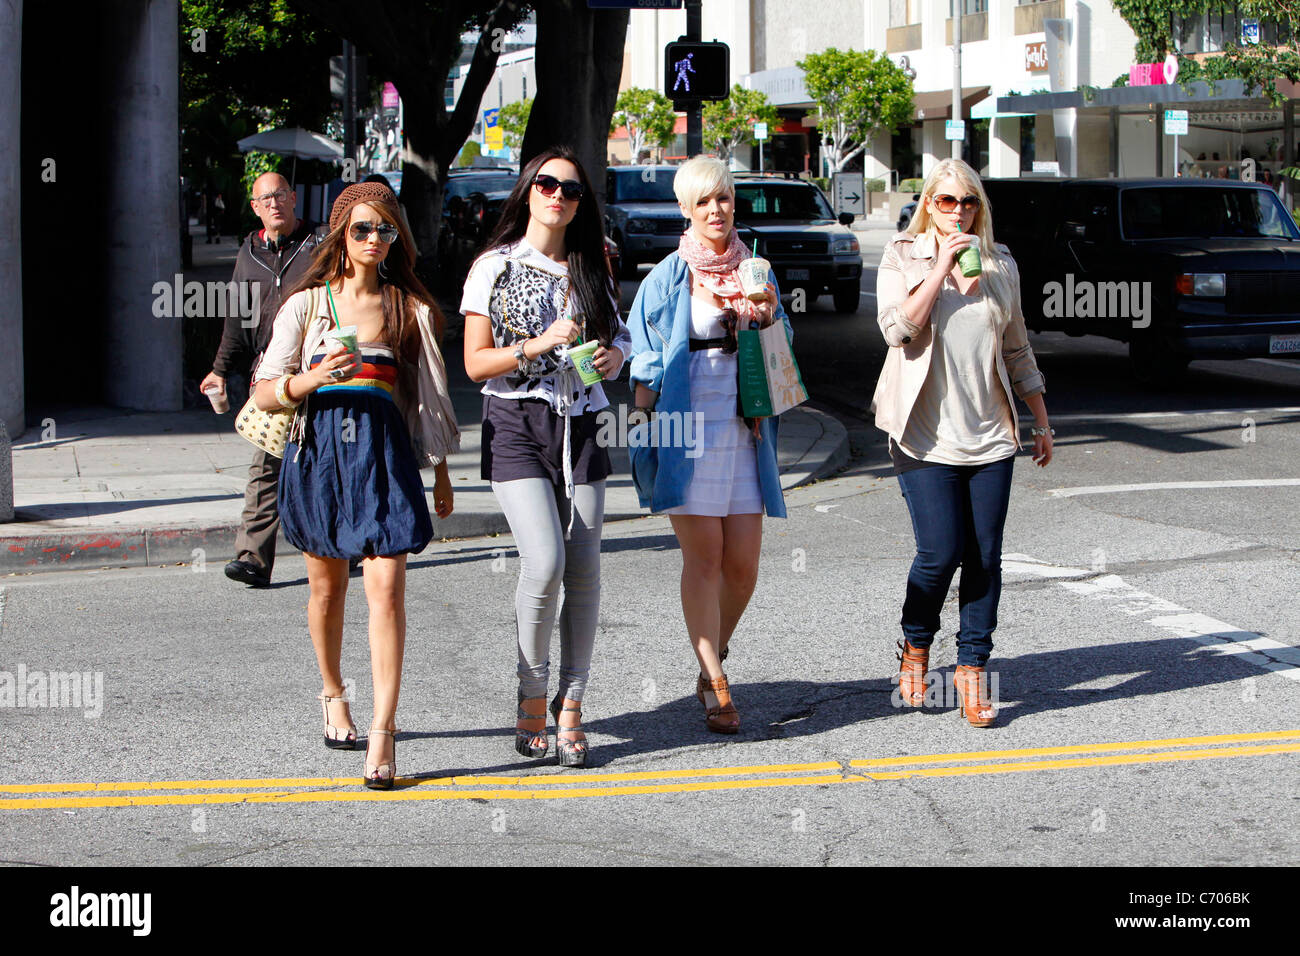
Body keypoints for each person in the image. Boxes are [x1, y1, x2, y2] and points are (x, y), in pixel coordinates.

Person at [252, 181, 459, 788]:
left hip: (384, 455)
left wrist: (442, 470)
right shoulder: (308, 305)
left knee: (388, 588)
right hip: (318, 453)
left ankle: (384, 733)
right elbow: (265, 389)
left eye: (386, 231)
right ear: (342, 233)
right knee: (326, 590)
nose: (374, 240)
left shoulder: (409, 309)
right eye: (363, 229)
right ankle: (332, 691)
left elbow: (428, 399)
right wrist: (310, 378)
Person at [461, 146, 631, 768]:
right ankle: (532, 694)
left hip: (582, 421)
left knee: (584, 571)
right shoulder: (494, 267)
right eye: (547, 184)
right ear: (528, 190)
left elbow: (619, 335)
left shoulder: (593, 264)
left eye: (572, 190)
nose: (559, 196)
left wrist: (615, 357)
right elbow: (477, 362)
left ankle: (572, 705)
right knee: (545, 560)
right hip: (515, 419)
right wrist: (537, 345)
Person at [873, 157, 1053, 729]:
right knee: (939, 553)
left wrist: (1041, 418)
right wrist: (941, 265)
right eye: (946, 201)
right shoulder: (902, 256)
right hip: (923, 436)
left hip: (991, 436)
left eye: (968, 202)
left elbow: (1017, 347)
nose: (958, 211)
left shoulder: (1001, 265)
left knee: (985, 556)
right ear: (929, 204)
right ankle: (916, 645)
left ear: (980, 208)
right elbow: (898, 329)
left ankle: (973, 669)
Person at [625, 155, 790, 735]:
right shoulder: (665, 278)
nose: (716, 210)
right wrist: (643, 435)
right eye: (703, 202)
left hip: (744, 433)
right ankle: (715, 678)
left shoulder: (757, 271)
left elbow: (783, 350)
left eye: (722, 198)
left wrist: (767, 318)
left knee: (743, 566)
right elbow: (643, 362)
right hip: (684, 431)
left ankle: (710, 656)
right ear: (685, 210)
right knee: (706, 559)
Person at [202, 172, 324, 589]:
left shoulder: (320, 244)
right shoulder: (248, 254)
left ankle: (346, 544)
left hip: (320, 369)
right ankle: (253, 558)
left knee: (328, 459)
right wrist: (220, 369)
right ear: (255, 207)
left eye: (280, 195)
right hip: (270, 376)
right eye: (264, 198)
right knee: (265, 463)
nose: (274, 203)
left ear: (293, 198)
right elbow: (235, 321)